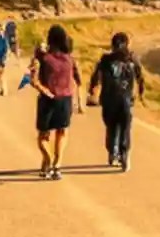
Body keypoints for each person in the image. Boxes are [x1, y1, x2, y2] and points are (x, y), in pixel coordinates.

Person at [87, 32, 146, 172]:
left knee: (111, 126)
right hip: (126, 100)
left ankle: (112, 151)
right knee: (125, 127)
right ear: (127, 44)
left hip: (108, 100)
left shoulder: (105, 59)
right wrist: (141, 94)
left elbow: (95, 78)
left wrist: (92, 91)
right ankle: (124, 154)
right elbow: (141, 78)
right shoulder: (132, 59)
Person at [30, 25, 79, 180]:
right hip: (65, 98)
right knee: (62, 132)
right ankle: (57, 164)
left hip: (47, 99)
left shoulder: (43, 57)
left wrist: (44, 90)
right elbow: (77, 79)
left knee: (43, 136)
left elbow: (33, 77)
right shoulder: (70, 58)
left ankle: (48, 159)